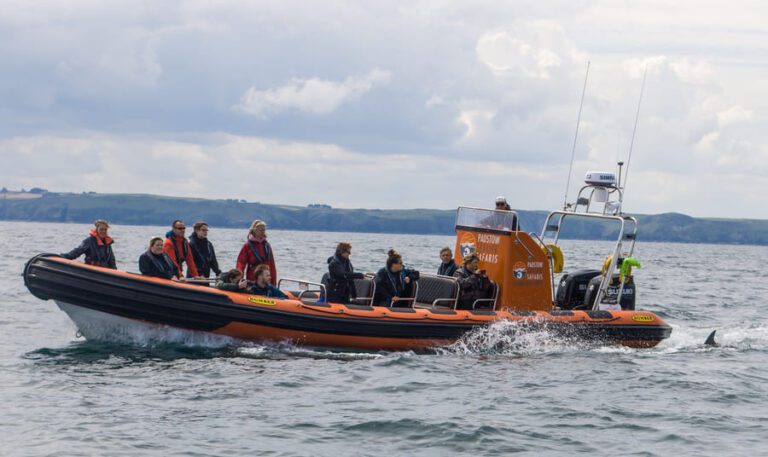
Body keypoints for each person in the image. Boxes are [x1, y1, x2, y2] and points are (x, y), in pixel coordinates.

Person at [236, 220, 277, 285]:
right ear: (254, 230)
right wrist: (239, 279)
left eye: (264, 230)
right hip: (253, 280)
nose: (263, 232)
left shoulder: (267, 246)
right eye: (261, 230)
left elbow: (272, 265)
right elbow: (241, 263)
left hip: (266, 281)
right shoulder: (247, 246)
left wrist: (274, 283)